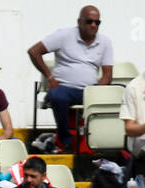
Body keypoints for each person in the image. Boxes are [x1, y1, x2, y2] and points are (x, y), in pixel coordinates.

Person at [27, 6, 113, 150]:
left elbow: (108, 74)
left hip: (90, 90)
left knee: (123, 93)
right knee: (57, 96)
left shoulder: (105, 41)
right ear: (79, 21)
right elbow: (34, 51)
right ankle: (65, 140)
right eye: (89, 21)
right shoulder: (63, 35)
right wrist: (49, 77)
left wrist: (97, 92)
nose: (93, 25)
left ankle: (108, 142)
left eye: (97, 22)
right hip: (65, 88)